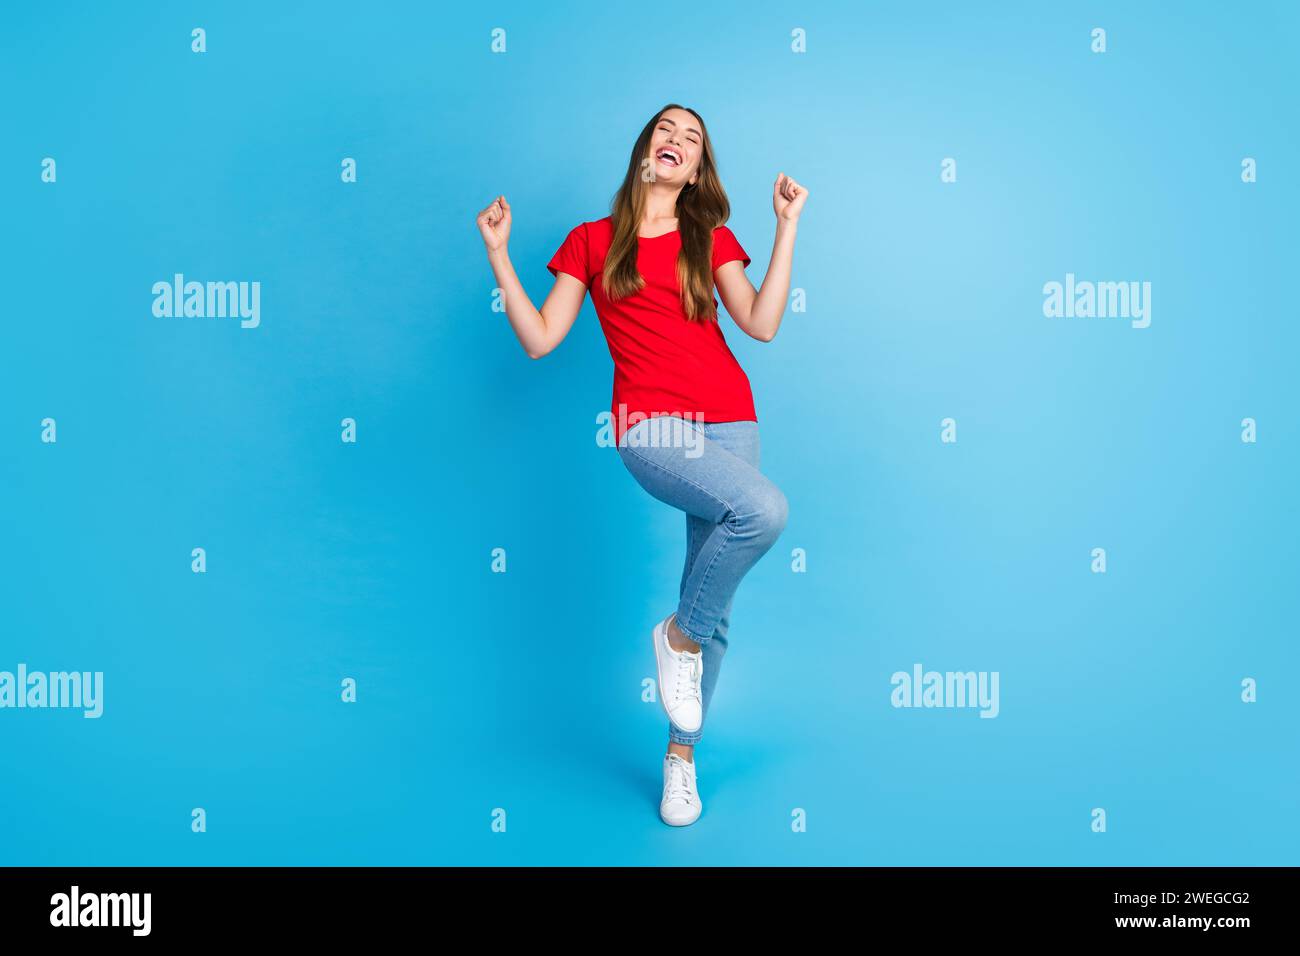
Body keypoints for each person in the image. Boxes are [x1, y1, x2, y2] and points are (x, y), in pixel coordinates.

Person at [476, 103, 807, 826]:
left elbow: (761, 322)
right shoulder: (591, 241)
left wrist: (785, 228)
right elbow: (540, 338)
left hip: (730, 417)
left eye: (693, 139)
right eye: (668, 130)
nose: (677, 141)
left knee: (712, 607)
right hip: (649, 422)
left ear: (696, 171)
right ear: (646, 147)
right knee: (762, 512)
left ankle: (680, 761)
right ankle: (676, 636)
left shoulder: (708, 236)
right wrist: (499, 255)